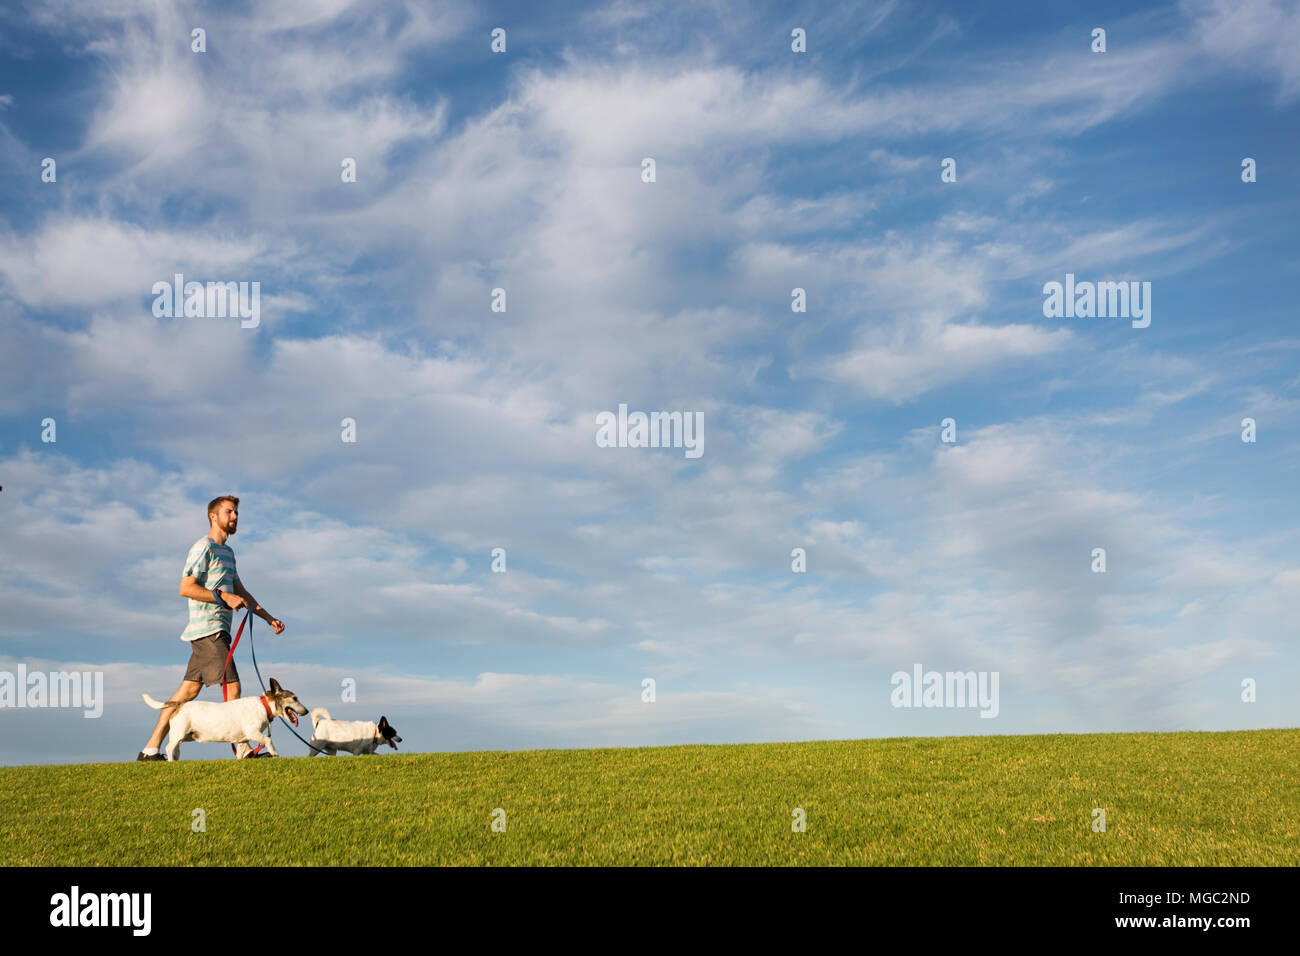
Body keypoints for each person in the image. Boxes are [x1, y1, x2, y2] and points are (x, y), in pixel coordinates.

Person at [136, 495, 285, 761]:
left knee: (186, 694)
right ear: (213, 516)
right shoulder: (202, 547)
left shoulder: (228, 552)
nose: (235, 516)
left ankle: (149, 749)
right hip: (208, 630)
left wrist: (268, 618)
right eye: (229, 512)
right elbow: (186, 588)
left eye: (236, 512)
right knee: (234, 687)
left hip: (215, 632)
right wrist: (222, 597)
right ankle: (243, 750)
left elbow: (240, 591)